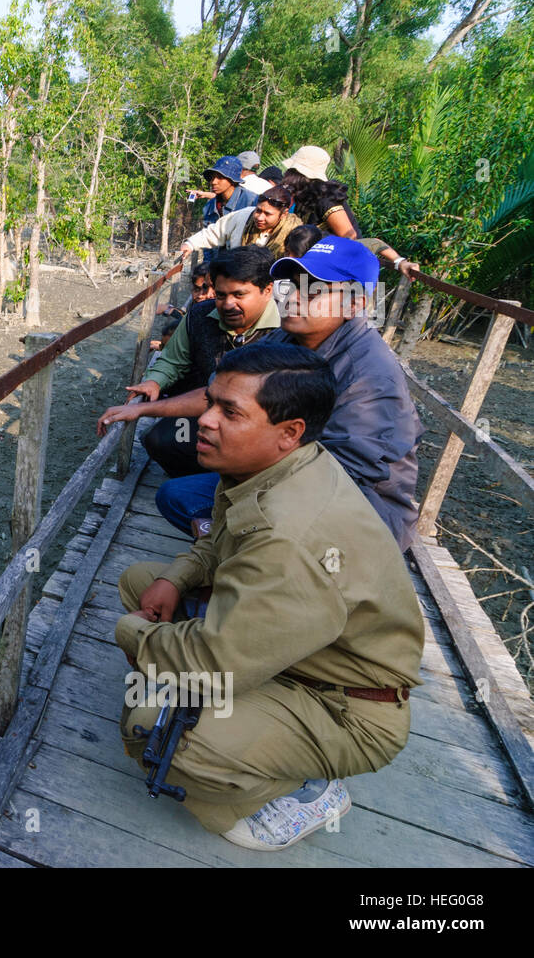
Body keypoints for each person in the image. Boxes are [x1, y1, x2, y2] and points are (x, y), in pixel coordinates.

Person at [116, 342, 424, 851]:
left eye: (229, 412)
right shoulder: (274, 466)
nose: (206, 421)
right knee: (144, 583)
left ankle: (303, 789)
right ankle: (227, 716)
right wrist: (176, 578)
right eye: (210, 402)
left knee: (158, 733)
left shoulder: (293, 536)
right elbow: (219, 537)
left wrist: (134, 634)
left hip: (345, 707)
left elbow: (216, 660)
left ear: (289, 433)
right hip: (301, 652)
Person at [153, 236, 424, 551]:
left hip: (353, 510)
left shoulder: (372, 378)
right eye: (292, 286)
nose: (295, 298)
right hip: (281, 475)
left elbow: (341, 479)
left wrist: (248, 453)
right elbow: (223, 382)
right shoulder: (287, 338)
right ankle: (229, 542)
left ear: (355, 304)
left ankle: (239, 547)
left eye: (315, 289)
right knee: (176, 495)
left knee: (252, 526)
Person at [98, 245, 280, 478]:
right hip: (209, 411)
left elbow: (232, 395)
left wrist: (143, 409)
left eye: (239, 295)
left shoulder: (284, 329)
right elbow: (173, 360)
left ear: (267, 290)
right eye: (222, 295)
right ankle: (206, 482)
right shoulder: (199, 315)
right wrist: (154, 381)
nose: (227, 304)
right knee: (160, 441)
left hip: (259, 425)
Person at [280, 146, 418, 278]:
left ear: (297, 175)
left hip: (337, 270)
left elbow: (351, 238)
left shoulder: (325, 200)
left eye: (290, 172)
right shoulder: (305, 198)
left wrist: (399, 262)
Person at [180, 186, 302, 259]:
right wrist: (190, 244)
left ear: (284, 214)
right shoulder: (244, 215)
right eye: (258, 210)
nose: (260, 217)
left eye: (268, 214)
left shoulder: (295, 230)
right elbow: (215, 232)